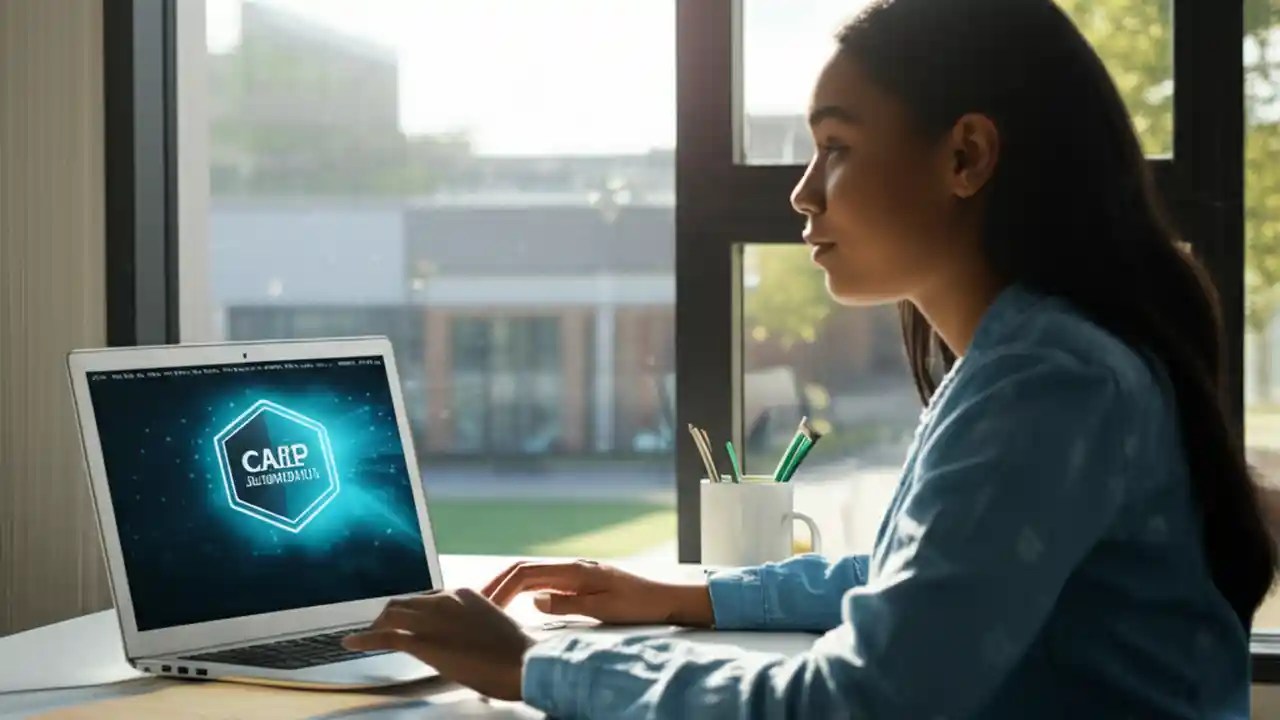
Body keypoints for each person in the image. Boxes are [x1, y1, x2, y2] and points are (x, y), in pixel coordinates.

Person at [342, 0, 1278, 716]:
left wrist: (534, 663)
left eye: (834, 146)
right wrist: (687, 597)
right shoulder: (1031, 353)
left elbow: (866, 699)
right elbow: (909, 577)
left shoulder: (1050, 376)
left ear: (967, 156)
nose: (800, 193)